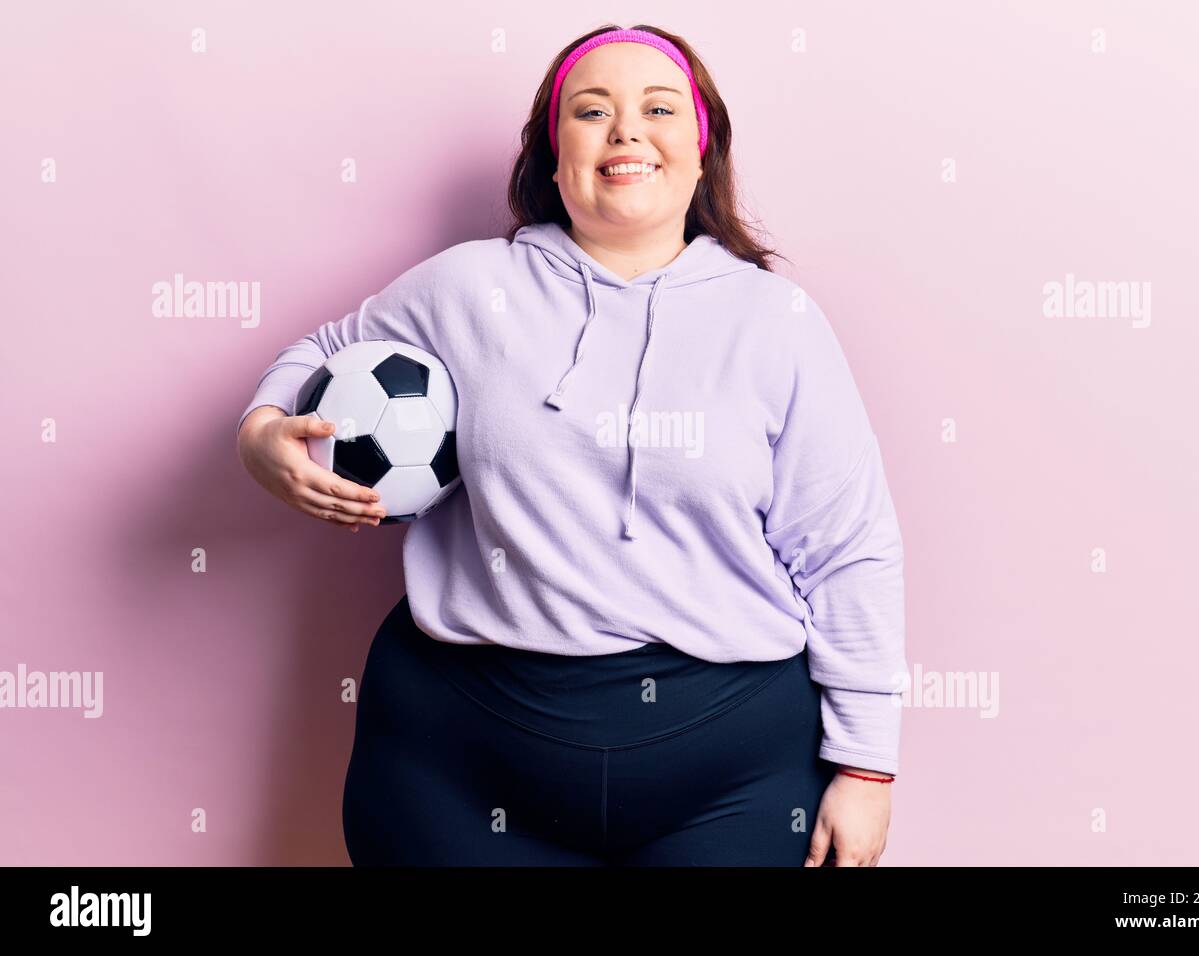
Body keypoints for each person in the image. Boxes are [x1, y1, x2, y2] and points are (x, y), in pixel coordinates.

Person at [235, 23, 908, 867]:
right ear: (554, 160)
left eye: (658, 108)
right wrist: (261, 435)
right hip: (462, 757)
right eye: (592, 111)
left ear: (702, 152)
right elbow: (318, 355)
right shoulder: (468, 288)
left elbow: (849, 551)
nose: (626, 129)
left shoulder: (779, 325)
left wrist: (866, 766)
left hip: (730, 771)